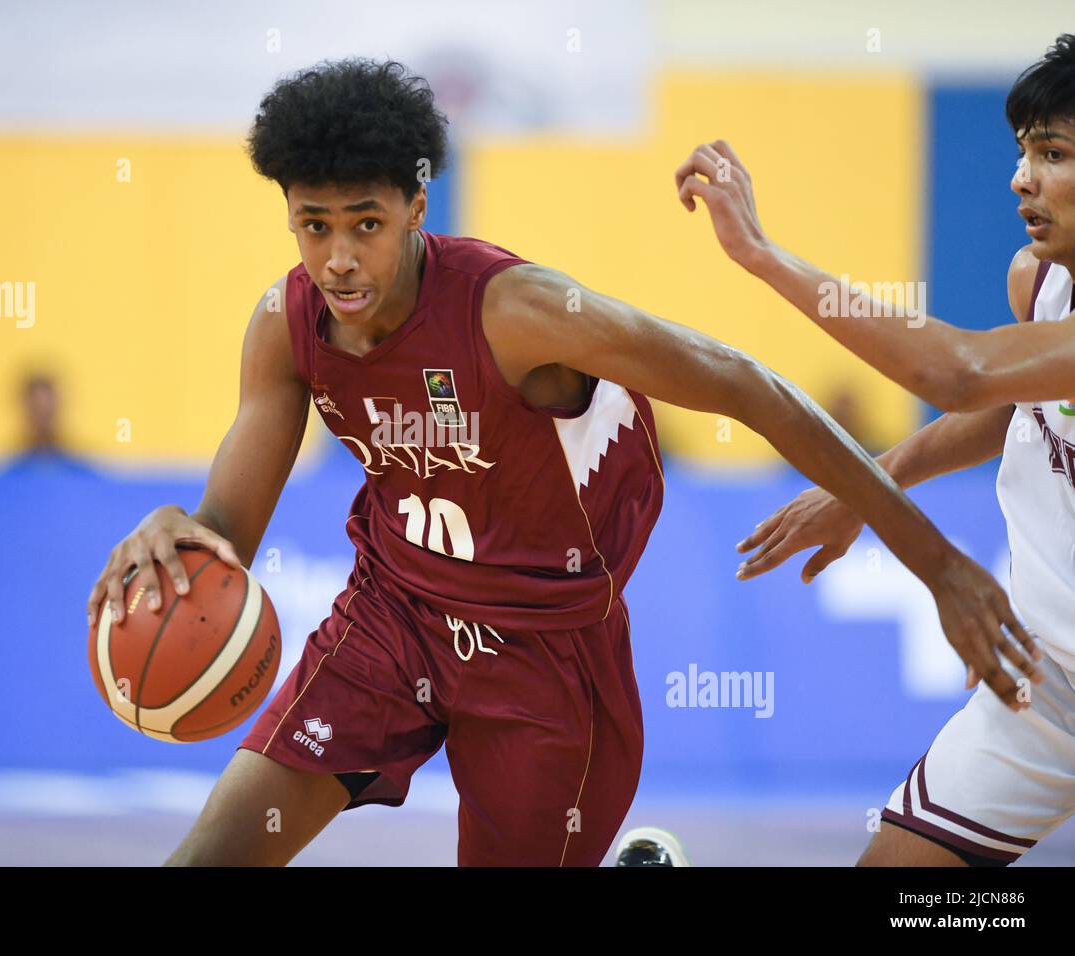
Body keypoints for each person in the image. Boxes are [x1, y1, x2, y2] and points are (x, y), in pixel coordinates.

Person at [86, 57, 1037, 867]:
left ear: (418, 206)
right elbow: (228, 526)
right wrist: (187, 532)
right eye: (314, 224)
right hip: (392, 620)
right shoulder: (283, 325)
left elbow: (748, 384)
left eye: (365, 223)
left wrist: (940, 564)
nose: (337, 258)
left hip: (545, 654)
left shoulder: (520, 312)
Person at [676, 34, 1075, 867]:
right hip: (1045, 683)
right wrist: (867, 484)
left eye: (1054, 154)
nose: (1021, 179)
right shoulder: (1038, 282)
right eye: (1022, 153)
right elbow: (1019, 408)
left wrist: (762, 255)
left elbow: (958, 373)